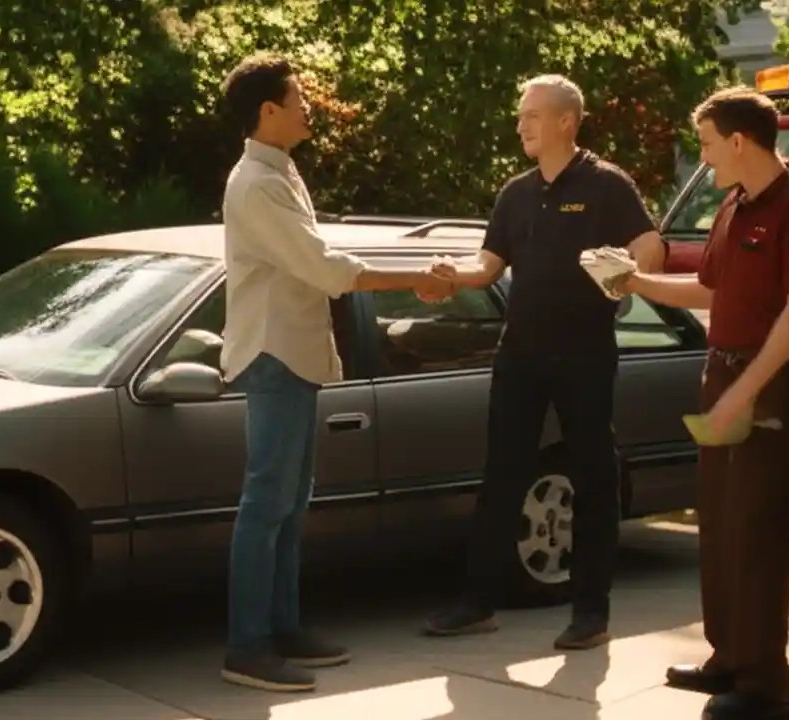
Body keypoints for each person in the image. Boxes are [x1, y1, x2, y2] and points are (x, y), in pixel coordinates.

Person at [217, 54, 454, 693]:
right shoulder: (257, 184)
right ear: (268, 111)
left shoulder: (278, 171)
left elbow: (318, 264)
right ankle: (247, 647)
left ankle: (283, 628)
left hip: (291, 354)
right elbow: (325, 266)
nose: (308, 105)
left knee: (290, 503)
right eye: (297, 97)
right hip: (273, 356)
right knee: (267, 502)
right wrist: (414, 279)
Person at [616, 87, 789, 720]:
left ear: (739, 141)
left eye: (709, 145)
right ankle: (729, 660)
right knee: (719, 523)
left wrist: (746, 388)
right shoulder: (733, 207)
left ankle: (768, 687)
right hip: (725, 375)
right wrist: (629, 282)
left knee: (761, 534)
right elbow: (709, 290)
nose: (705, 159)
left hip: (772, 386)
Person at [422, 74, 665, 648]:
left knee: (593, 477)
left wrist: (629, 271)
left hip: (584, 356)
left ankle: (591, 613)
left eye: (531, 115)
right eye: (521, 115)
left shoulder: (607, 184)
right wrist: (447, 276)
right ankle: (477, 602)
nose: (521, 124)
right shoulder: (516, 192)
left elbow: (649, 245)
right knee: (502, 474)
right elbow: (486, 266)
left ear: (565, 122)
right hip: (521, 356)